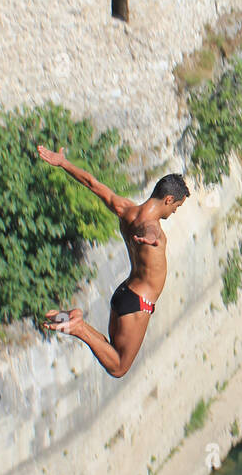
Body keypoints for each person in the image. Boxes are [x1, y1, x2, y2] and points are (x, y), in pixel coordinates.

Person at [38, 146, 189, 377]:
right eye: (176, 207)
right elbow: (150, 231)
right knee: (119, 367)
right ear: (168, 199)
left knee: (110, 349)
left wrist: (64, 163)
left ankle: (75, 321)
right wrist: (149, 238)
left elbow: (92, 183)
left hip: (124, 293)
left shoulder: (126, 209)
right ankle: (77, 327)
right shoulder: (152, 227)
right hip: (139, 303)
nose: (175, 212)